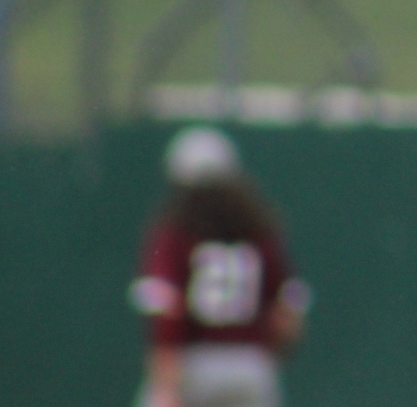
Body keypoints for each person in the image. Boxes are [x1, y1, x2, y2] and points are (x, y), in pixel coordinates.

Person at [129, 127, 310, 407]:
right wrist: (264, 352)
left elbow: (168, 308)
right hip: (251, 366)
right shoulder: (258, 234)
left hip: (194, 363)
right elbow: (286, 310)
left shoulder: (175, 235)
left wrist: (166, 383)